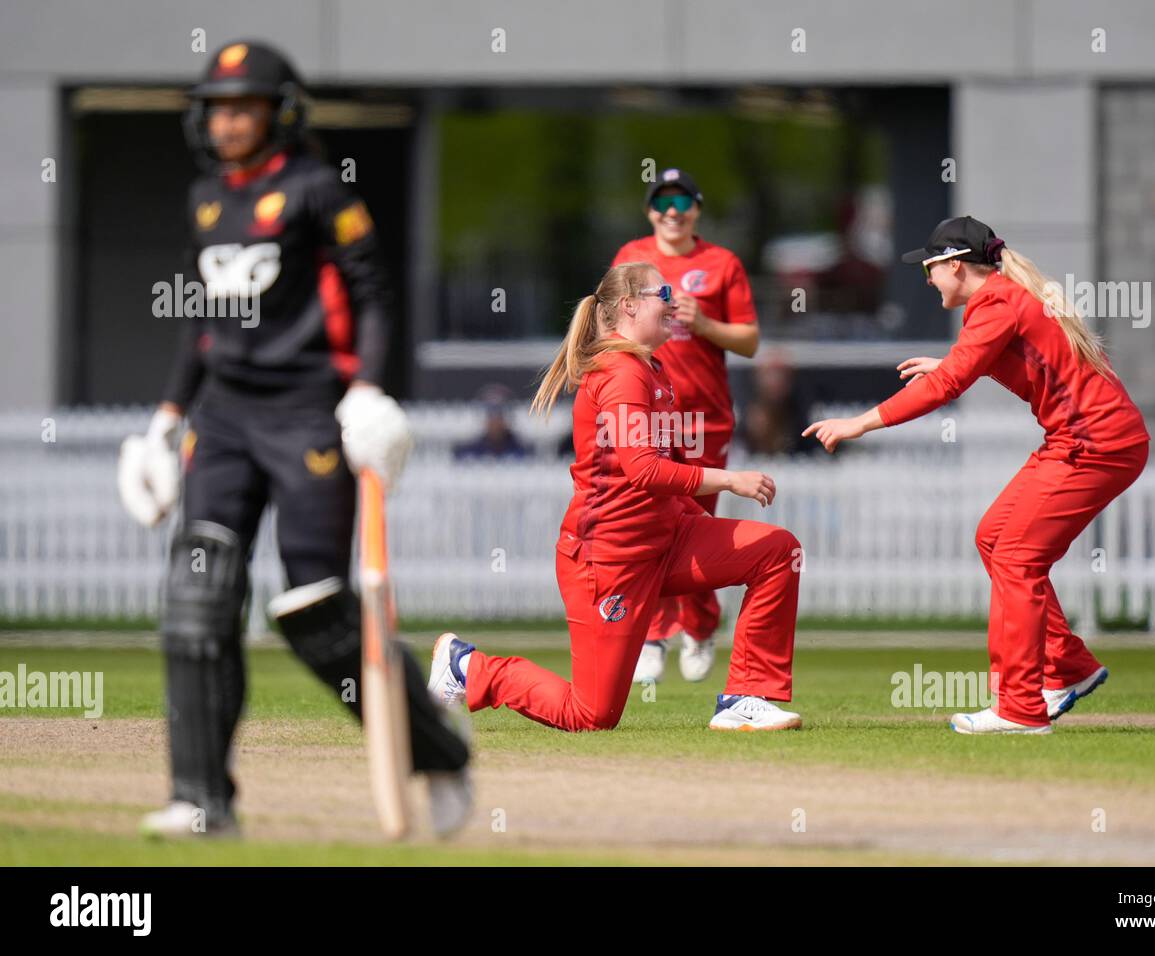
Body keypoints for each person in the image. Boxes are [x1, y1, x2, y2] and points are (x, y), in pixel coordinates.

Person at [116, 40, 471, 837]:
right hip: (225, 422)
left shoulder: (318, 191)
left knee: (316, 610)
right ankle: (203, 802)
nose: (227, 121)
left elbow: (374, 294)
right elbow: (202, 324)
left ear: (280, 114)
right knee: (197, 597)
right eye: (216, 107)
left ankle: (440, 749)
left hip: (310, 413)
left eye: (243, 106)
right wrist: (164, 424)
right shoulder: (207, 198)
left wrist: (369, 392)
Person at [804, 216, 1150, 734]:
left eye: (930, 269)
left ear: (954, 265)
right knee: (994, 538)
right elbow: (1009, 361)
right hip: (1087, 440)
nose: (927, 280)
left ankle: (1019, 708)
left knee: (1016, 556)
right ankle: (1069, 667)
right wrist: (950, 363)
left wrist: (859, 423)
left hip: (1095, 443)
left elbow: (946, 387)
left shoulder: (994, 303)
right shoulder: (1003, 299)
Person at [427, 262, 802, 733]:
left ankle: (745, 697)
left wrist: (703, 521)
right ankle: (466, 667)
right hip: (610, 559)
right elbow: (642, 469)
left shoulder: (652, 368)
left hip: (665, 539)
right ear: (628, 305)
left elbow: (667, 472)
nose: (671, 300)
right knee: (591, 715)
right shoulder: (623, 372)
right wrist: (729, 480)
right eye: (661, 291)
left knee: (776, 551)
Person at [610, 168, 760, 685]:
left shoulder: (721, 263)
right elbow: (611, 323)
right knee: (645, 522)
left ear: (696, 207)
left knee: (694, 524)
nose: (671, 212)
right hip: (647, 412)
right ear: (650, 211)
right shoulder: (632, 256)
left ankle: (697, 625)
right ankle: (651, 632)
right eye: (661, 202)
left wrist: (703, 325)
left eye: (681, 202)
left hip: (702, 418)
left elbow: (749, 341)